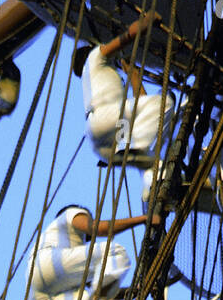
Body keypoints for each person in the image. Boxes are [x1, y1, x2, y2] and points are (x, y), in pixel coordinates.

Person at [73, 11, 175, 196]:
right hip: (108, 117)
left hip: (102, 138)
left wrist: (133, 75)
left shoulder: (96, 79)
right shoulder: (95, 56)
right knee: (165, 102)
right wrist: (147, 22)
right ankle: (137, 147)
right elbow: (127, 36)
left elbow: (141, 104)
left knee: (148, 160)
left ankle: (155, 185)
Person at [28, 205, 151, 300]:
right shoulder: (70, 214)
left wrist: (134, 290)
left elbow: (97, 287)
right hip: (47, 263)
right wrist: (143, 219)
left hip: (39, 297)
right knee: (115, 252)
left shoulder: (71, 256)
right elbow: (98, 228)